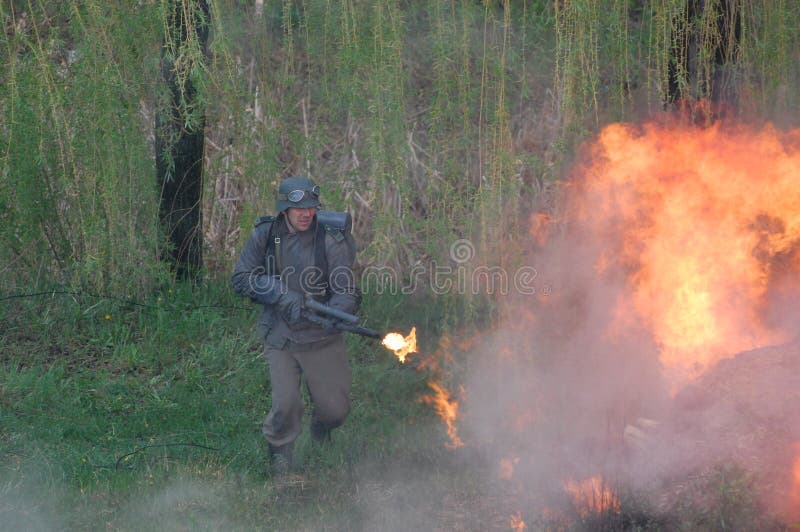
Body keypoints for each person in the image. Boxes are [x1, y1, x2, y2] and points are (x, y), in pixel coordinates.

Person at [231, 176, 360, 474]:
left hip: (321, 337)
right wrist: (280, 294)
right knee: (285, 405)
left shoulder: (330, 239)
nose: (306, 214)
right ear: (284, 209)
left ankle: (321, 429)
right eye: (299, 208)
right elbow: (241, 278)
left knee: (335, 411)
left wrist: (336, 313)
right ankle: (281, 458)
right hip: (282, 336)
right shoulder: (265, 234)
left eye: (312, 207)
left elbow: (346, 289)